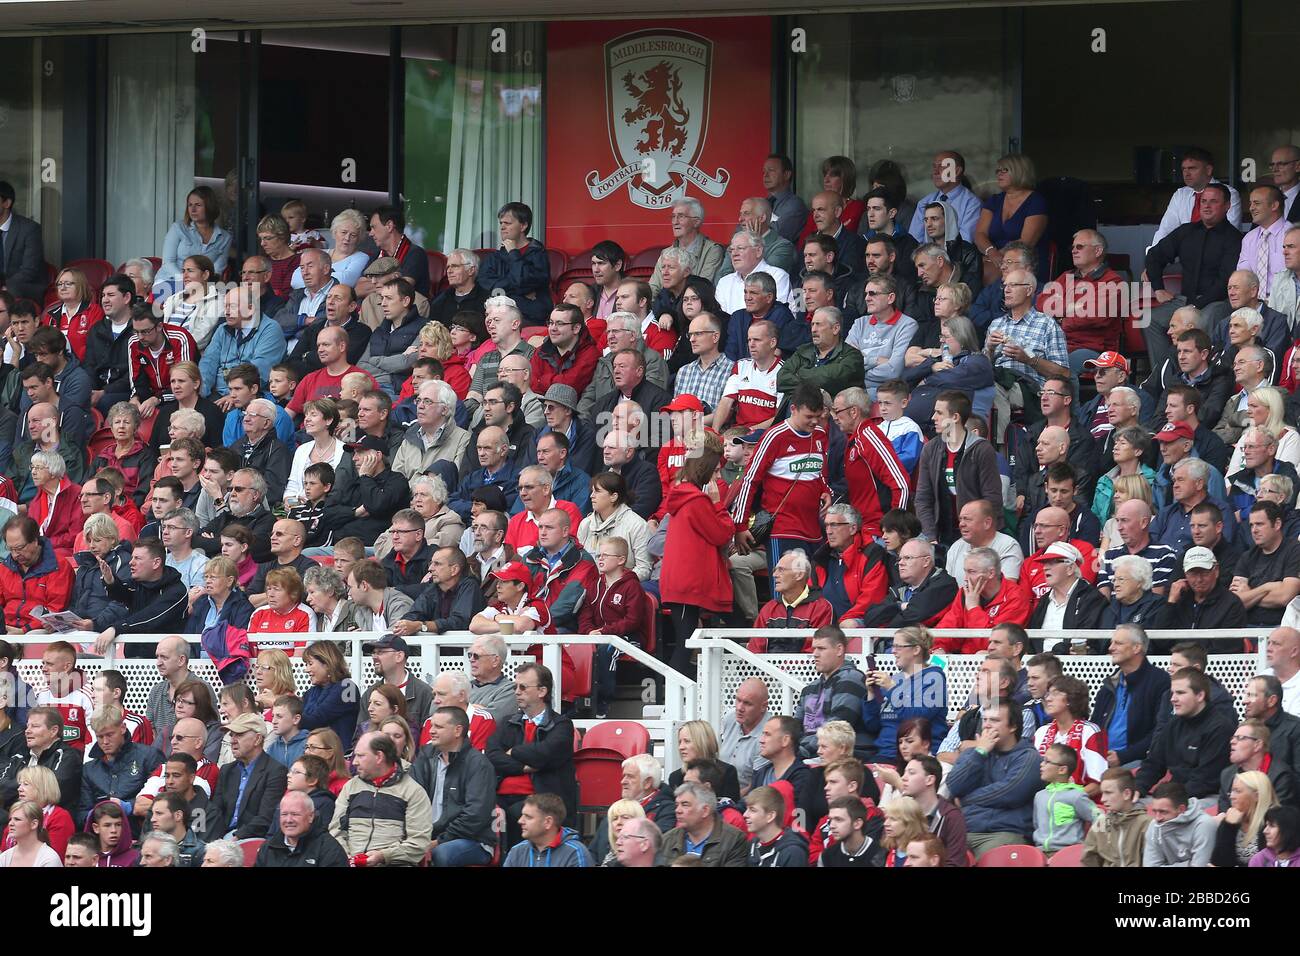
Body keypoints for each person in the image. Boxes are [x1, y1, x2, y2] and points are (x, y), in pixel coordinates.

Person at [1142, 184, 1242, 374]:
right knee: (1149, 319)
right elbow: (1154, 256)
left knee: (1204, 319)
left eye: (1214, 201)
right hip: (1185, 301)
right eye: (1203, 201)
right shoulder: (1186, 231)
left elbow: (1224, 282)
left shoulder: (1234, 238)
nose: (1206, 206)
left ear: (1227, 206)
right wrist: (1158, 288)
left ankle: (1205, 377)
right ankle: (1165, 375)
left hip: (1217, 301)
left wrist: (1195, 306)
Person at [485, 662, 577, 846]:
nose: (517, 692)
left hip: (542, 796)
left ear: (542, 691)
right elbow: (492, 755)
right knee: (481, 809)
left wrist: (514, 751)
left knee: (516, 814)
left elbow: (546, 754)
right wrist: (525, 767)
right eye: (515, 687)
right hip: (501, 794)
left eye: (523, 687)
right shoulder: (508, 722)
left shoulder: (561, 725)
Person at [945, 699, 1042, 858]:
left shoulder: (1028, 757)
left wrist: (965, 800)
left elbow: (1009, 793)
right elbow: (954, 785)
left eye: (995, 720)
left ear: (1013, 726)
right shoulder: (973, 754)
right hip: (965, 830)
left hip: (1003, 833)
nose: (987, 725)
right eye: (985, 720)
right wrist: (980, 752)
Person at [328, 730, 431, 867]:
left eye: (360, 756)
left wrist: (384, 856)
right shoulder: (350, 787)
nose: (354, 762)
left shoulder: (413, 792)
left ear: (379, 757)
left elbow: (418, 843)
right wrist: (345, 857)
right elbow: (336, 830)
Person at [915, 391, 1001, 547]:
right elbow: (923, 498)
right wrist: (930, 536)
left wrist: (981, 536)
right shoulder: (930, 449)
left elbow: (991, 498)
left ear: (955, 417)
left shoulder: (981, 449)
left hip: (976, 536)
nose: (933, 417)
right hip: (941, 535)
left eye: (939, 413)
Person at [1137, 668, 1236, 799]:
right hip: (1176, 795)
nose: (1172, 699)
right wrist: (1137, 788)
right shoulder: (1173, 725)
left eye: (1180, 693)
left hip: (1208, 798)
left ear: (1200, 696)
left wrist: (1169, 801)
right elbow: (1153, 764)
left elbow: (1204, 780)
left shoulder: (1220, 728)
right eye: (1172, 693)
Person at [863, 626, 948, 762]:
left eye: (898, 646)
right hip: (883, 753)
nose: (893, 651)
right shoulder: (894, 680)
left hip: (916, 758)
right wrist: (871, 694)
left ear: (916, 650)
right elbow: (872, 725)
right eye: (893, 646)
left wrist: (892, 689)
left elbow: (917, 718)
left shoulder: (933, 678)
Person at [206, 712, 287, 840]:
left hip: (253, 839)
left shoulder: (275, 771)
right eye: (232, 735)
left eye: (239, 735)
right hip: (223, 838)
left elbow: (265, 818)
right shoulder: (227, 770)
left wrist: (236, 837)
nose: (232, 740)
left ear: (258, 739)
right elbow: (215, 811)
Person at [154, 186, 230, 297]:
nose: (192, 210)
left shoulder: (224, 237)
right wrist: (186, 280)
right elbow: (168, 262)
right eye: (190, 205)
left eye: (198, 205)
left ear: (210, 207)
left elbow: (217, 270)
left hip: (203, 285)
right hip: (170, 281)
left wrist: (200, 284)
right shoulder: (178, 228)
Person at [661, 781, 748, 866]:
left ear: (705, 811)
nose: (677, 810)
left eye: (685, 805)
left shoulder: (733, 839)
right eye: (677, 805)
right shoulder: (667, 840)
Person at [1219, 720, 1297, 811]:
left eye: (1240, 738)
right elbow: (1224, 812)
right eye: (1233, 737)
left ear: (1257, 745)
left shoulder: (1280, 776)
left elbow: (1277, 819)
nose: (1232, 741)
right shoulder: (1227, 775)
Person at [1080, 767, 1151, 868]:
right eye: (1102, 793)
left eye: (1108, 793)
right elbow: (1089, 860)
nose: (1102, 799)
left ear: (1127, 794)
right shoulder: (1101, 823)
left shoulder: (1147, 824)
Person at [1032, 743, 1095, 855]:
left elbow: (1098, 818)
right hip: (1040, 853)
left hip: (1067, 854)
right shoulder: (1039, 796)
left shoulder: (1076, 796)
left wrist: (1091, 846)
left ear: (1062, 770)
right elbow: (1037, 825)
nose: (1041, 764)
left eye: (1047, 761)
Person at [0, 766, 74, 859]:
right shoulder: (17, 814)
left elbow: (54, 857)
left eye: (25, 784)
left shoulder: (59, 816)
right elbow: (3, 853)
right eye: (20, 784)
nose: (19, 789)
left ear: (42, 787)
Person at [1141, 780, 1219, 867]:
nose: (1157, 817)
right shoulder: (1155, 825)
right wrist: (1188, 864)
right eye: (1154, 811)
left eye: (1163, 812)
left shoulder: (1204, 825)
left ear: (1181, 809)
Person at [300, 640, 360, 746]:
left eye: (310, 664)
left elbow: (316, 720)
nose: (306, 670)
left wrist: (278, 703)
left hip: (338, 756)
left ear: (327, 664)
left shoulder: (347, 688)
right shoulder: (310, 693)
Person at [742, 785, 808, 867]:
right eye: (746, 809)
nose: (745, 815)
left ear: (770, 816)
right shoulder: (751, 846)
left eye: (752, 810)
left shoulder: (793, 852)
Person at [0, 802, 61, 868]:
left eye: (17, 819)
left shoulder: (49, 858)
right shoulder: (5, 857)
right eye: (10, 819)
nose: (10, 823)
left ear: (34, 824)